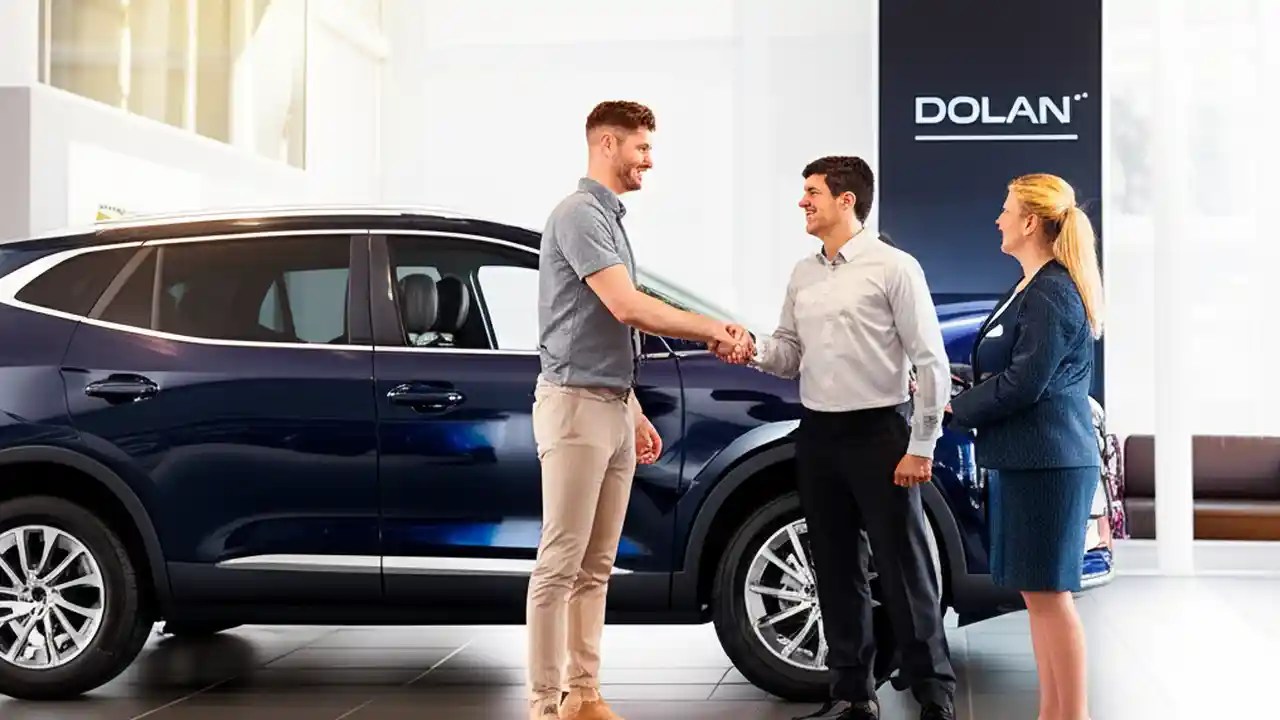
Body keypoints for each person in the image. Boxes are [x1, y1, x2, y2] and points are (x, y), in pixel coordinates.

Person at [528, 100, 749, 720]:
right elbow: (627, 306)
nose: (649, 160)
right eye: (641, 148)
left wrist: (631, 410)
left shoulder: (610, 219)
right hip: (574, 408)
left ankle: (584, 692)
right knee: (561, 561)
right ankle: (545, 704)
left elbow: (603, 326)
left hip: (608, 406)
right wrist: (711, 329)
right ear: (606, 144)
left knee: (597, 564)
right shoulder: (578, 214)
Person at [715, 156, 956, 720]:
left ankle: (934, 694)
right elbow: (789, 353)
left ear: (846, 201)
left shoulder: (895, 267)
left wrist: (922, 445)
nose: (803, 202)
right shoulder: (803, 273)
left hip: (881, 433)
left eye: (813, 192)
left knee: (904, 568)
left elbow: (930, 360)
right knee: (835, 567)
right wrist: (750, 348)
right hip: (819, 433)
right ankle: (852, 693)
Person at [946, 173, 1104, 720]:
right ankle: (1051, 714)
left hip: (1050, 464)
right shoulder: (1031, 287)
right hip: (1028, 460)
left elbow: (1024, 383)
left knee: (1052, 596)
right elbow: (1010, 370)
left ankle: (1072, 715)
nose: (998, 218)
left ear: (1031, 221)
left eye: (1006, 208)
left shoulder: (1053, 291)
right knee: (1038, 596)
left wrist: (956, 408)